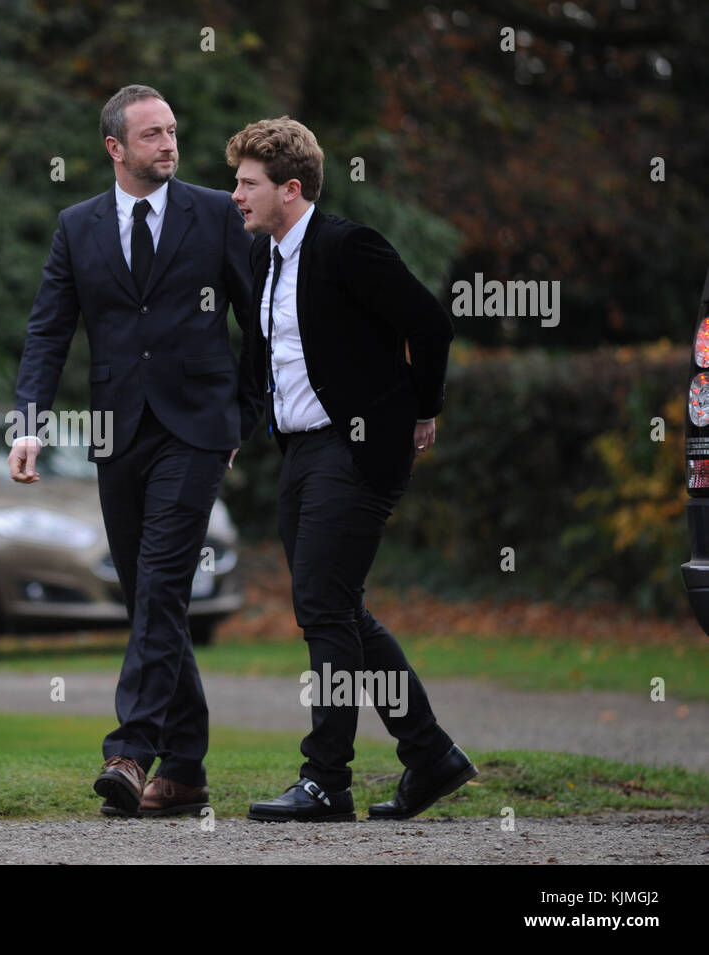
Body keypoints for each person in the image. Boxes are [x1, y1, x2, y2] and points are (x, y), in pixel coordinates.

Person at [10, 85, 262, 818]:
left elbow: (260, 318)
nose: (169, 144)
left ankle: (130, 749)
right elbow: (48, 331)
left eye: (174, 132)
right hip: (115, 432)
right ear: (115, 148)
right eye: (152, 134)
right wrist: (28, 422)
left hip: (198, 428)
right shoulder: (76, 225)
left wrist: (241, 417)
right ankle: (184, 771)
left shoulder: (215, 213)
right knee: (147, 593)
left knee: (158, 581)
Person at [226, 117, 476, 822]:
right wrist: (244, 428)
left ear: (291, 188)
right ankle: (429, 753)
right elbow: (266, 360)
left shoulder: (346, 246)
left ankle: (326, 778)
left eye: (248, 183)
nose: (235, 195)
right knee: (334, 608)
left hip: (358, 447)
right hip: (302, 451)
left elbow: (430, 323)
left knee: (323, 606)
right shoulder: (263, 257)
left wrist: (424, 408)